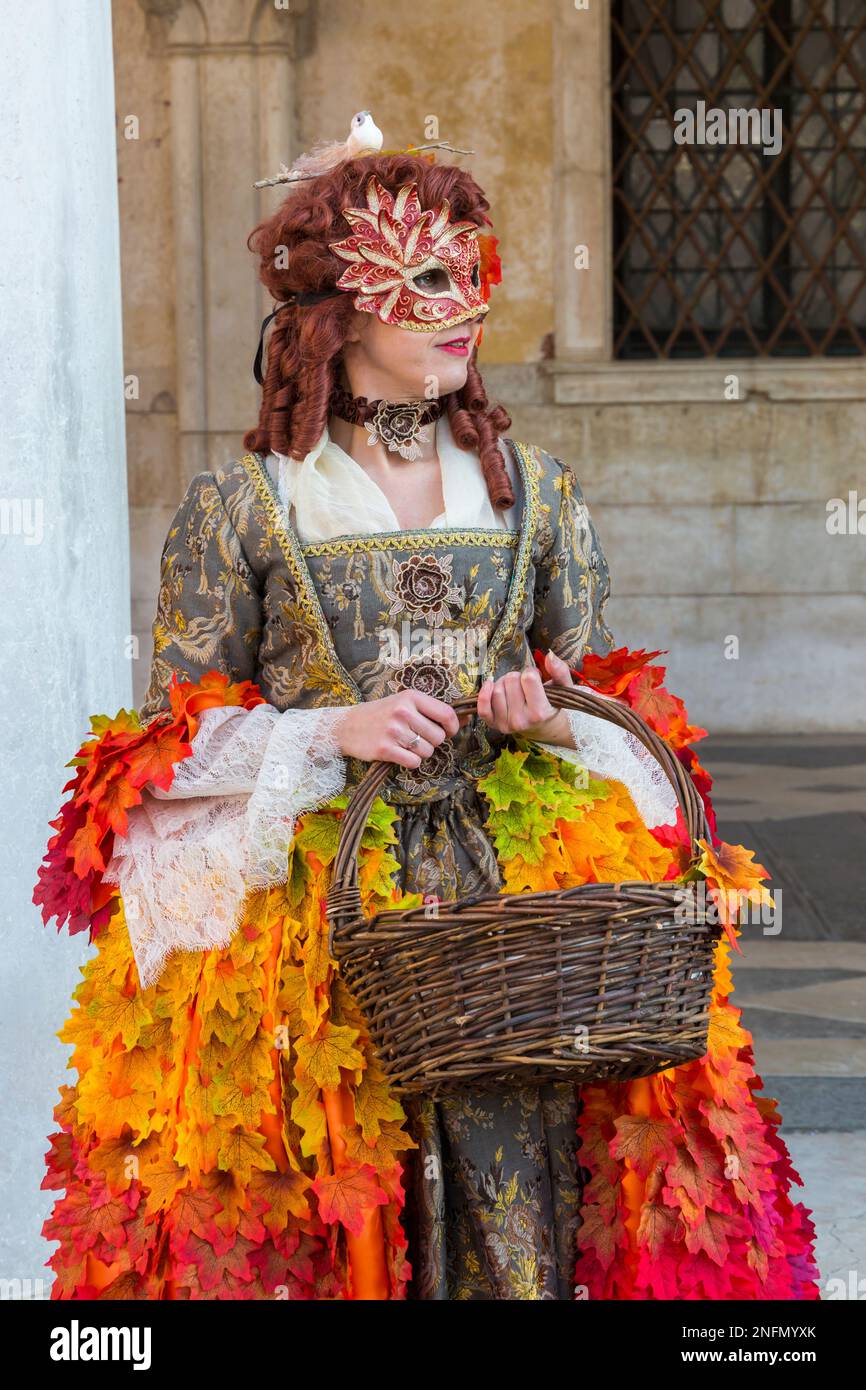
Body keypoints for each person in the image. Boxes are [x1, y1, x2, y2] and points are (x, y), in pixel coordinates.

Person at [36, 134, 820, 1300]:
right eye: (431, 284)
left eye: (474, 273)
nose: (467, 311)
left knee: (527, 1185)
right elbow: (155, 749)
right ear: (341, 311)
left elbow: (621, 705)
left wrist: (549, 719)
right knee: (325, 1197)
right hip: (316, 908)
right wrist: (322, 734)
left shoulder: (535, 493)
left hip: (517, 918)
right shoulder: (244, 508)